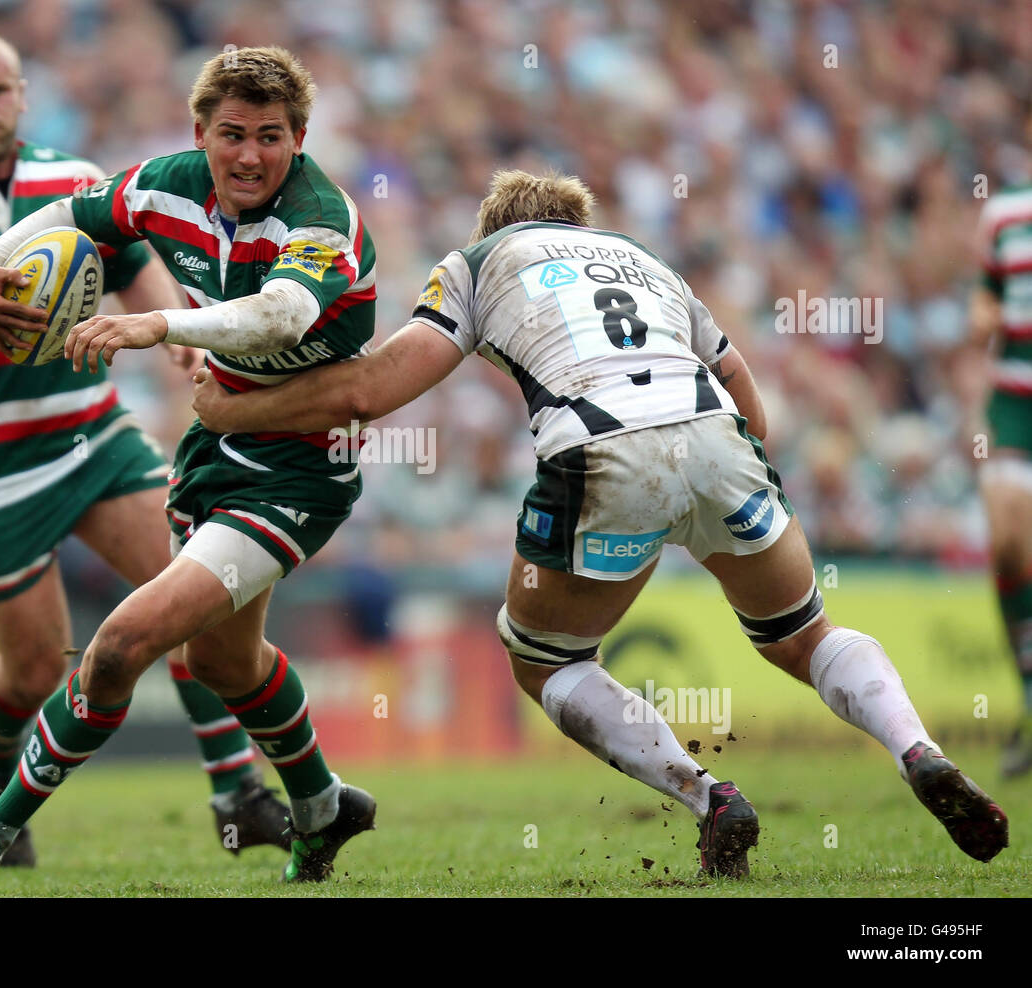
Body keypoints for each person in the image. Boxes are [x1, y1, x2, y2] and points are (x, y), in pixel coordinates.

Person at [192, 169, 1011, 874]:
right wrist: (720, 498)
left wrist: (239, 411)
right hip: (719, 438)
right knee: (804, 633)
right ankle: (917, 749)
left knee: (541, 656)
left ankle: (708, 797)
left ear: (499, 228)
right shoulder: (647, 262)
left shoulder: (480, 260)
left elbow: (368, 392)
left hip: (599, 446)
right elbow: (749, 398)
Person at [0, 29, 290, 872]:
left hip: (93, 434)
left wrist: (175, 332)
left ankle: (238, 793)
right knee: (34, 669)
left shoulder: (71, 181)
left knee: (192, 595)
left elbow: (131, 257)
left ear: (23, 94)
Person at [0, 45, 379, 895]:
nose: (248, 155)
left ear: (299, 138)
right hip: (213, 447)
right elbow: (71, 215)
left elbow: (282, 317)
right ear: (200, 133)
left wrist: (155, 326)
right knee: (227, 666)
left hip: (300, 465)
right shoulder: (166, 181)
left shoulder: (322, 217)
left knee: (121, 644)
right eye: (231, 134)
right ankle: (321, 807)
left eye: (270, 137)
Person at [973, 182, 1032, 777]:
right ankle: (1029, 694)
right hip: (1016, 404)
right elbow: (984, 298)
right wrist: (981, 315)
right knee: (1010, 545)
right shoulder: (1006, 214)